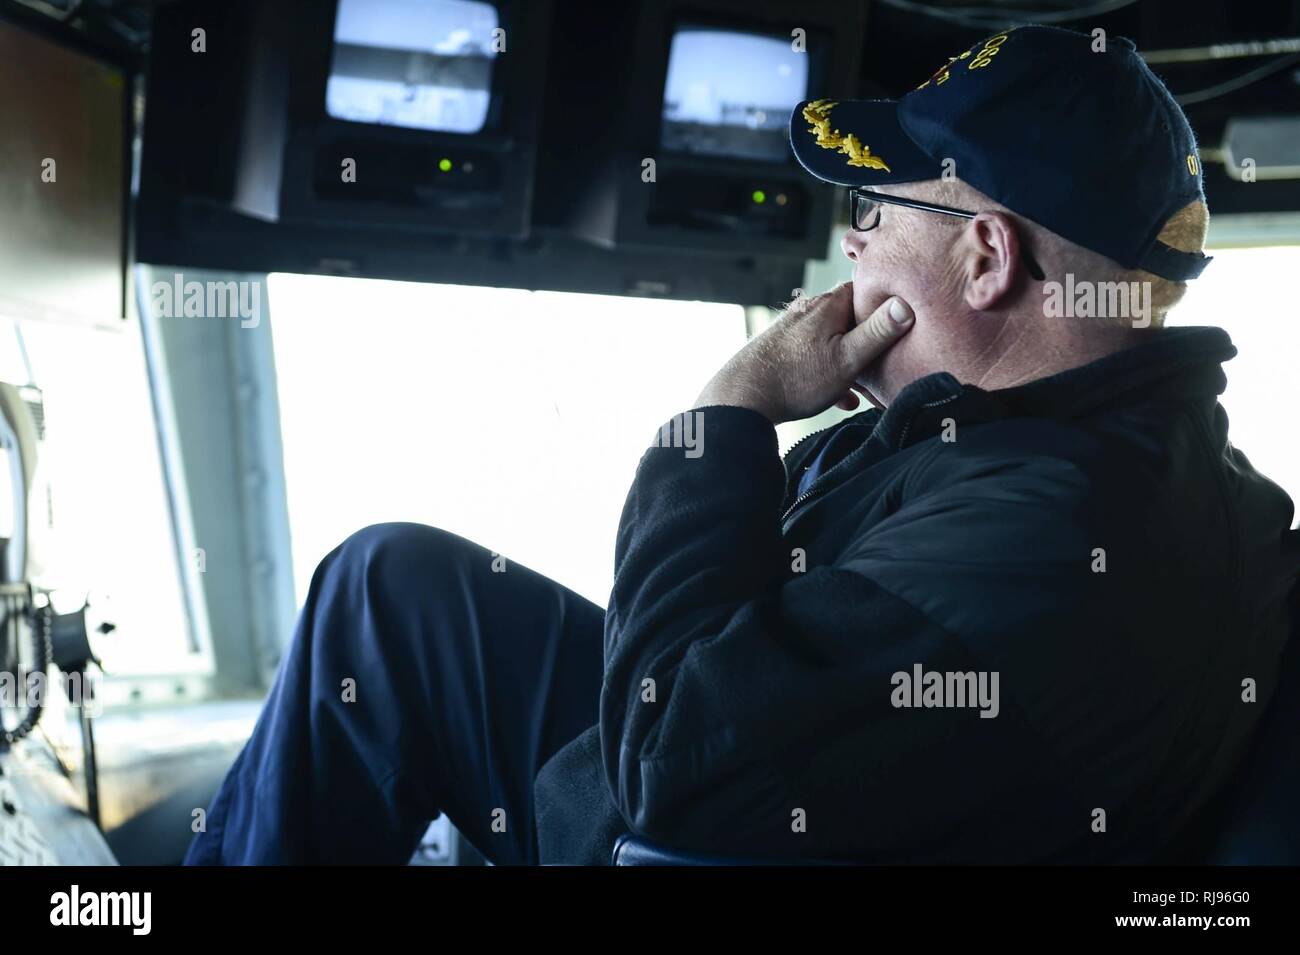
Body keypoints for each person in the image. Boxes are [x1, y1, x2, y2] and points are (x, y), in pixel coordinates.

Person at [186, 25, 1299, 865]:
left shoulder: (1054, 529)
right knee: (395, 588)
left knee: (378, 605)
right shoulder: (1099, 455)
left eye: (868, 207)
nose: (847, 247)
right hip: (739, 780)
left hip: (673, 823)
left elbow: (674, 765)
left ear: (986, 259)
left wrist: (720, 419)